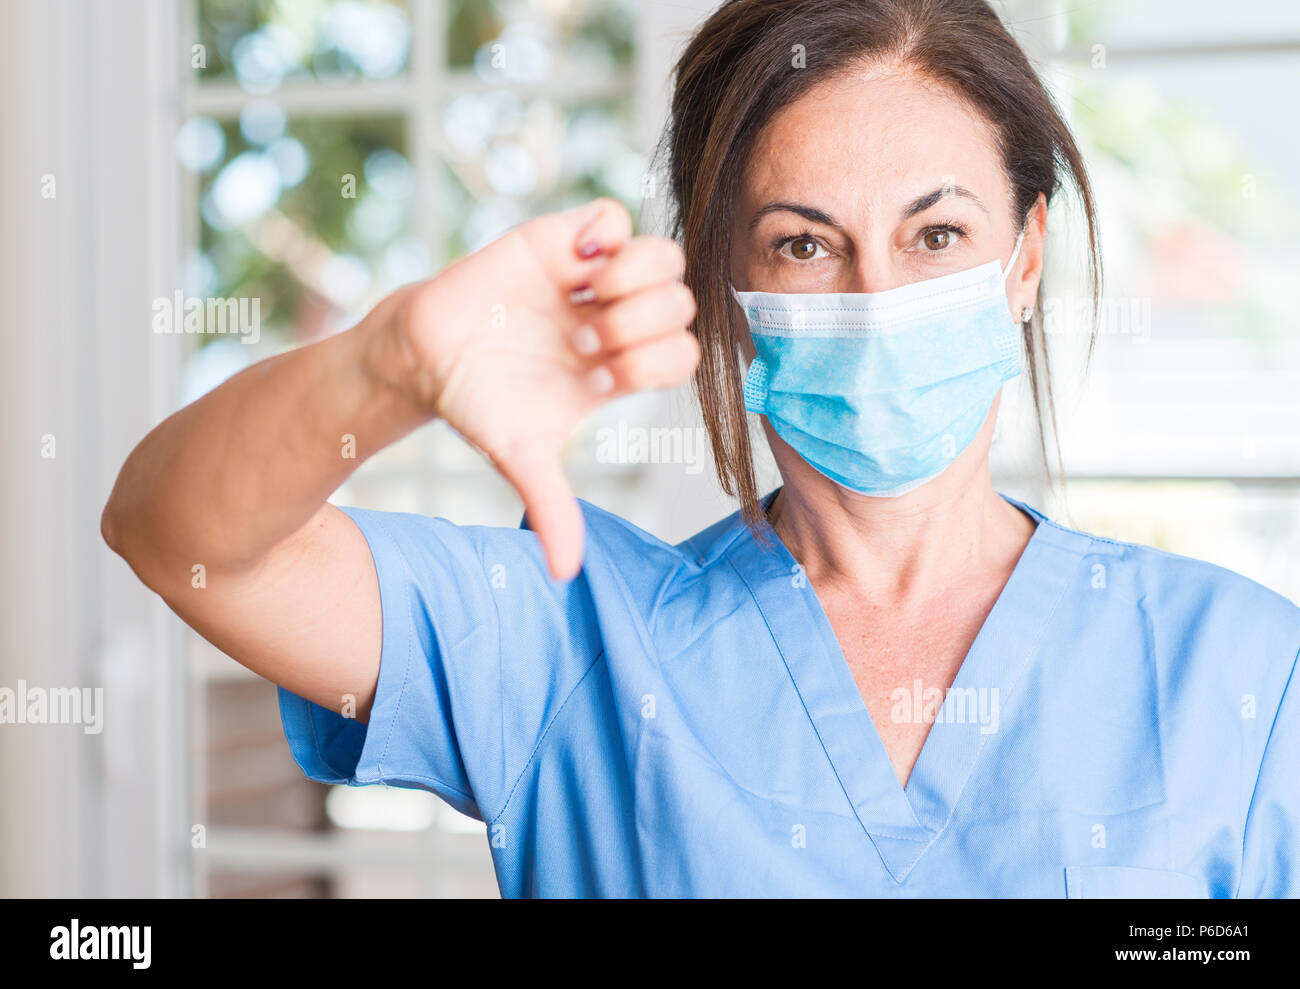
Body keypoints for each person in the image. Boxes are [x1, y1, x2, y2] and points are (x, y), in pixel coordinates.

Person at [102, 0, 1299, 897]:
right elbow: (178, 535)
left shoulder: (1243, 676)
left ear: (1023, 260)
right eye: (802, 245)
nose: (877, 294)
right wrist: (385, 365)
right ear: (722, 286)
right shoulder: (571, 638)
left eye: (937, 233)